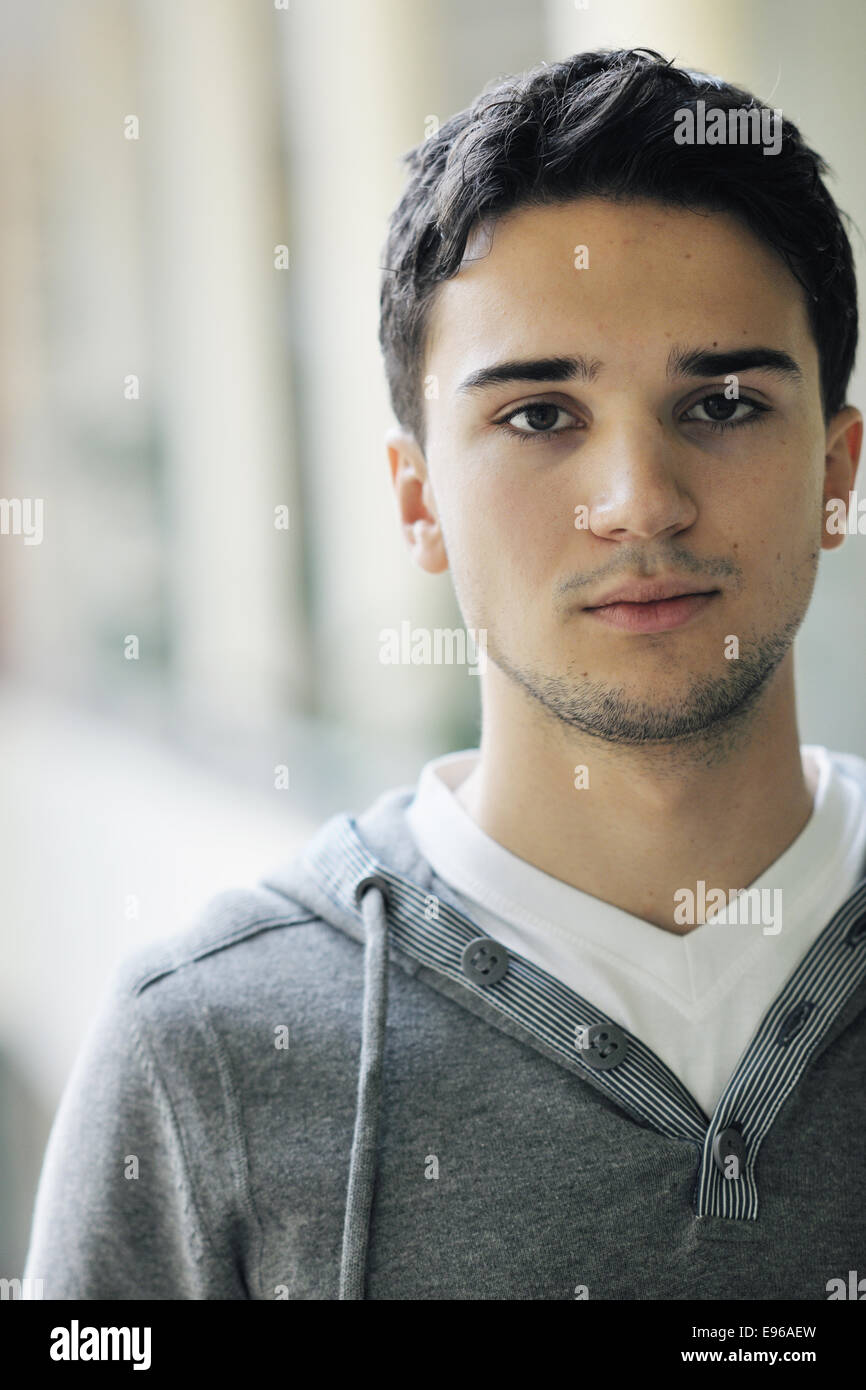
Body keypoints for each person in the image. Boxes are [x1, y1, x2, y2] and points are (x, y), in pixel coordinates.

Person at [23, 47, 866, 1301]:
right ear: (417, 499)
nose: (637, 500)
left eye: (724, 402)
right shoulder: (201, 1052)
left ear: (835, 471)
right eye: (538, 417)